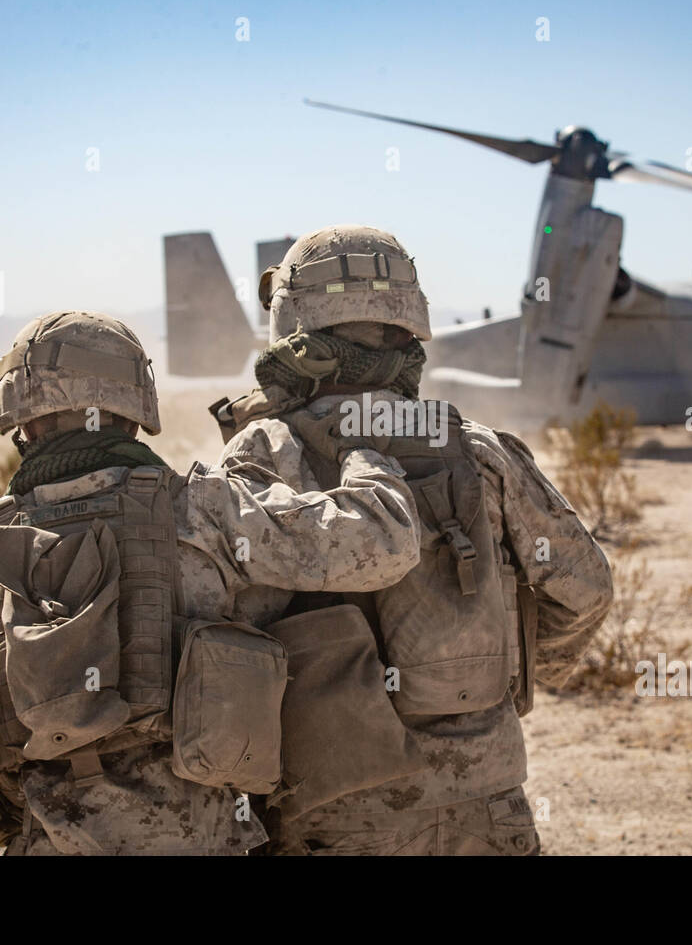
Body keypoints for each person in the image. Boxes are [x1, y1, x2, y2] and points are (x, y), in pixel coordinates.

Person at [0, 310, 421, 856]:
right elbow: (385, 542)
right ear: (134, 407)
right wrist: (363, 448)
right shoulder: (204, 508)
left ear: (22, 417)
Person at [211, 225, 614, 855]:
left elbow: (222, 638)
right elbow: (585, 590)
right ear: (410, 323)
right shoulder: (475, 448)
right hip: (489, 803)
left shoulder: (263, 452)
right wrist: (501, 687)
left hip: (339, 815)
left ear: (293, 323)